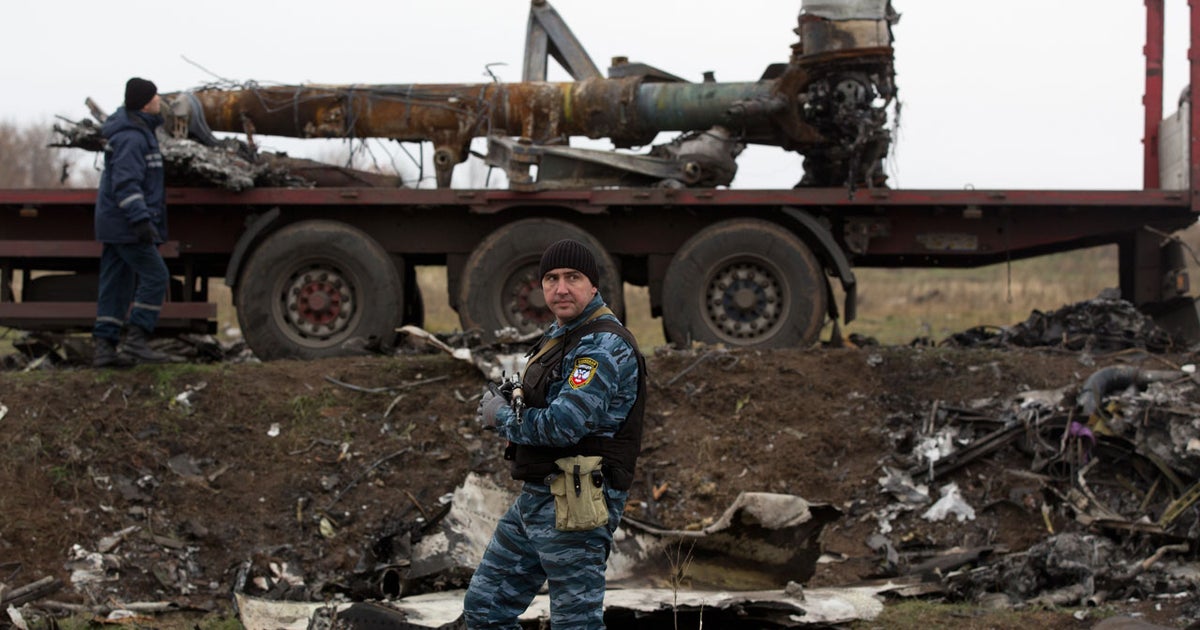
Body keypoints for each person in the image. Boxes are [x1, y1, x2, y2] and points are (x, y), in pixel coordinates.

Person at [463, 239, 646, 629]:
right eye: (551, 279)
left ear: (593, 285)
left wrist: (502, 418)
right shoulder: (562, 334)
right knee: (484, 609)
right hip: (538, 498)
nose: (561, 288)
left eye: (572, 277)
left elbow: (563, 424)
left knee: (575, 624)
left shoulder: (601, 345)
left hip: (577, 504)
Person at [92, 77, 173, 367]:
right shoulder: (132, 137)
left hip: (115, 223)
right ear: (145, 103)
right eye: (155, 96)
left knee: (116, 284)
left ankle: (105, 349)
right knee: (156, 276)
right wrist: (140, 220)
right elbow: (127, 184)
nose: (159, 99)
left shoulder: (136, 132)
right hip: (126, 225)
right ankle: (137, 342)